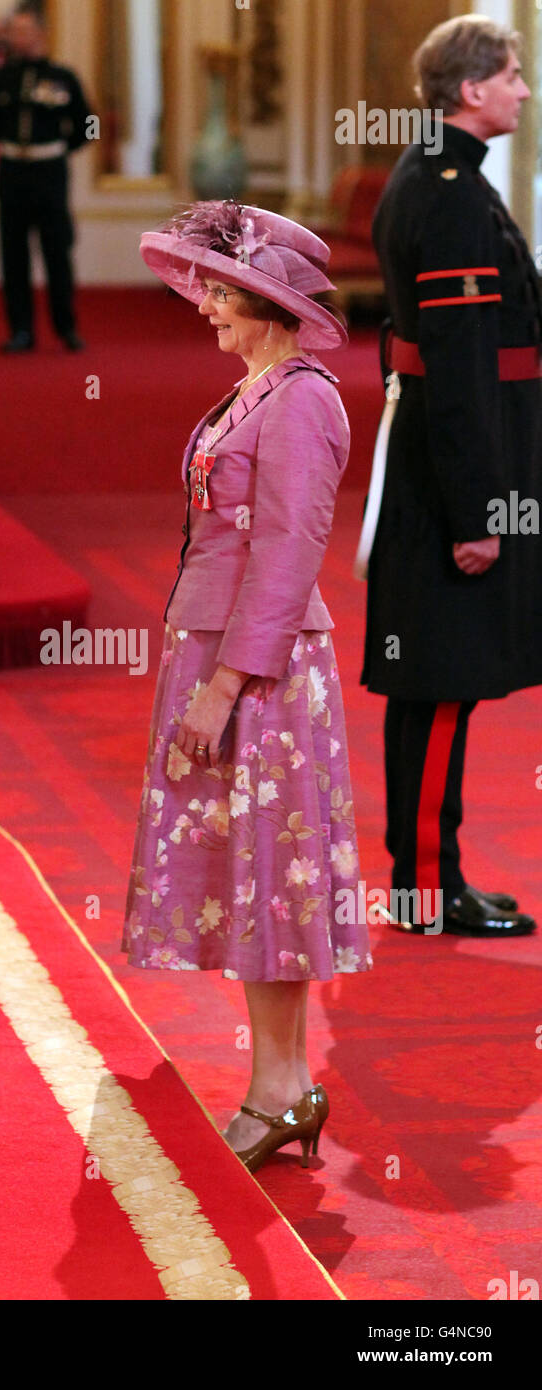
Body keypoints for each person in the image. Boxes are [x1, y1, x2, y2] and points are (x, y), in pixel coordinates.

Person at [123, 202, 371, 1174]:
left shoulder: (302, 398)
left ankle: (280, 1087)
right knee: (241, 877)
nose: (203, 309)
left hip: (259, 671)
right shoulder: (256, 389)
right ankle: (278, 1082)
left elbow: (286, 554)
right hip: (222, 653)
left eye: (217, 292)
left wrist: (223, 686)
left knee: (272, 878)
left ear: (265, 299)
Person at [359, 15, 540, 937]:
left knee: (441, 686)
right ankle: (427, 888)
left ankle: (434, 877)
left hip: (439, 463)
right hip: (451, 480)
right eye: (510, 76)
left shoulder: (441, 174)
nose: (521, 89)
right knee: (438, 686)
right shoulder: (451, 193)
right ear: (471, 91)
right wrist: (482, 512)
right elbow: (466, 365)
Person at [0, 5, 92, 353]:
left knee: (56, 252)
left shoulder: (63, 77)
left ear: (40, 33)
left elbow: (87, 126)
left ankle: (66, 327)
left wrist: (58, 148)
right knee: (13, 255)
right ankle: (21, 331)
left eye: (23, 30)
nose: (16, 37)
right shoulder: (0, 79)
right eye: (13, 30)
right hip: (13, 170)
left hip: (49, 172)